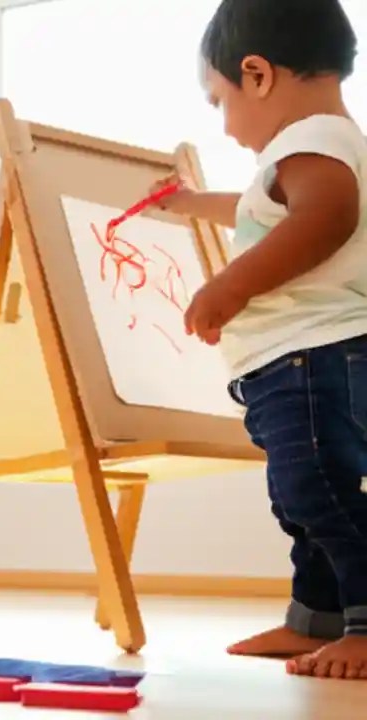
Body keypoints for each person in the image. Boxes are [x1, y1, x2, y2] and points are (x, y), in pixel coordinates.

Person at [158, 0, 367, 680]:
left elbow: (323, 217)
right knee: (302, 495)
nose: (225, 124)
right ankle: (317, 617)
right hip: (308, 359)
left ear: (257, 74)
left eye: (220, 100)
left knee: (321, 491)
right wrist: (192, 204)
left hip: (314, 355)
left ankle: (364, 625)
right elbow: (264, 209)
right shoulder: (322, 147)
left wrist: (231, 286)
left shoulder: (313, 146)